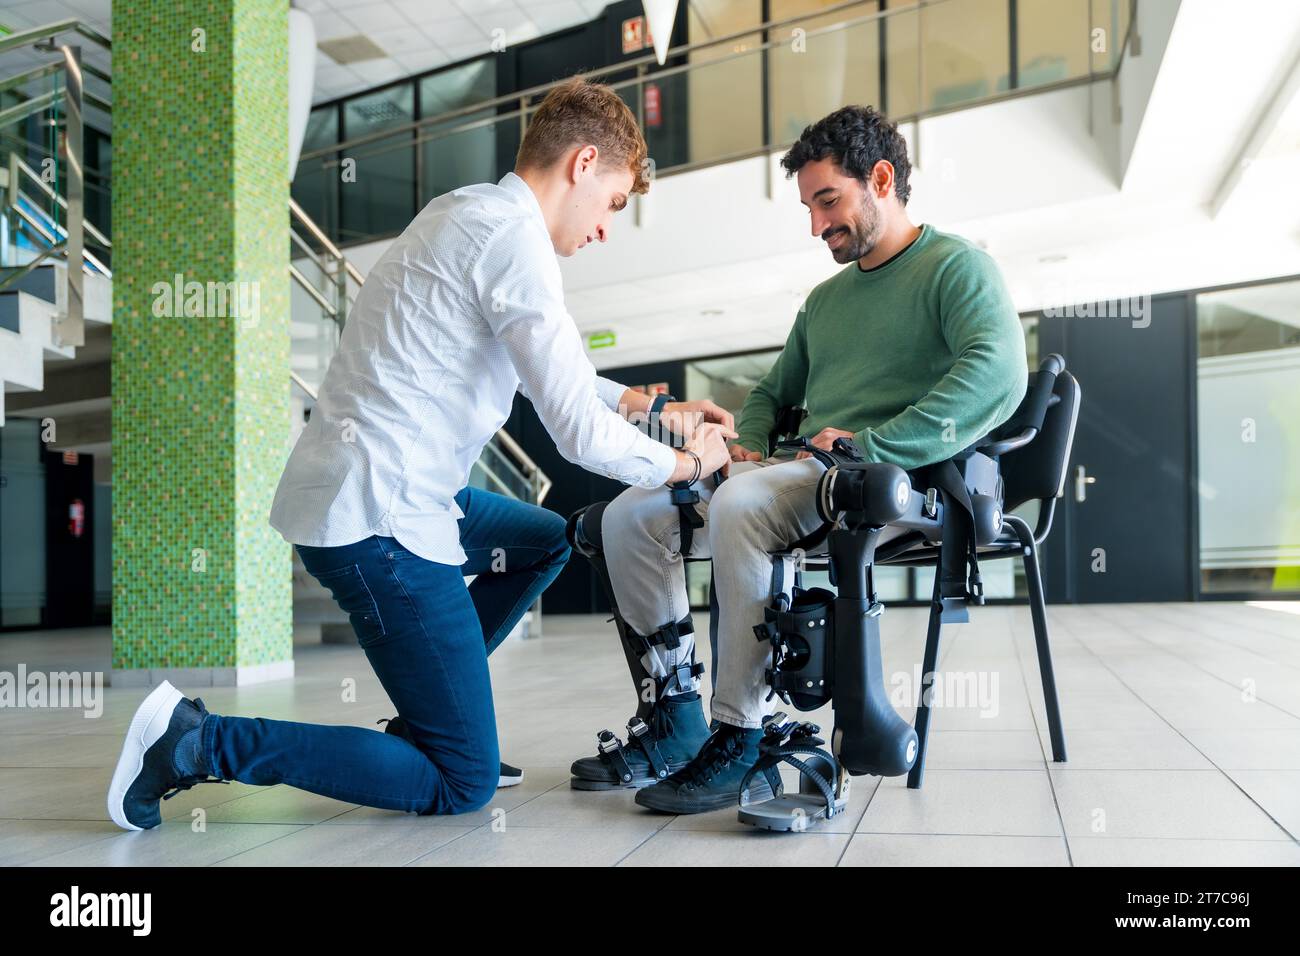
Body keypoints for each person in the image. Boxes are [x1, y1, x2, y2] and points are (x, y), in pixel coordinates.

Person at [106, 78, 735, 831]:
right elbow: (576, 431)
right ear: (583, 162)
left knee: (545, 542)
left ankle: (426, 716)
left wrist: (652, 407)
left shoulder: (465, 210)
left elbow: (551, 369)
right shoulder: (517, 246)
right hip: (382, 519)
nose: (604, 228)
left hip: (380, 488)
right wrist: (691, 465)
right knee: (460, 780)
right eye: (612, 202)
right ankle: (193, 743)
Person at [567, 105, 1028, 813]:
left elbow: (997, 376)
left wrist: (867, 446)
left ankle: (741, 734)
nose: (817, 226)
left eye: (828, 201)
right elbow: (771, 392)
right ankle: (675, 715)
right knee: (630, 515)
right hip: (797, 471)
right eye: (810, 207)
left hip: (880, 481)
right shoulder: (824, 301)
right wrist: (746, 441)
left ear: (882, 179)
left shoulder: (957, 269)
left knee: (742, 504)